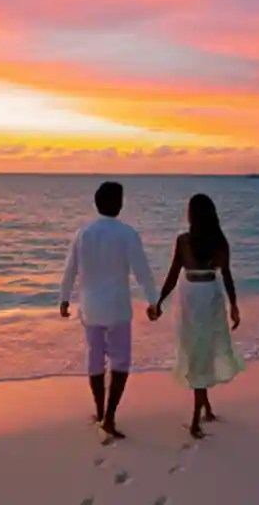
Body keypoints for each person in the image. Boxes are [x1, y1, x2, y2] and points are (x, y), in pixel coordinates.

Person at [60, 181, 159, 440]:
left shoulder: (84, 232)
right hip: (117, 307)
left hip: (91, 308)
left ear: (96, 203)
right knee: (120, 362)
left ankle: (100, 410)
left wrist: (63, 299)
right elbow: (142, 271)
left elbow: (70, 268)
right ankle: (110, 416)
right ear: (120, 204)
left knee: (94, 359)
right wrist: (153, 301)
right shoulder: (127, 233)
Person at [155, 193, 244, 439]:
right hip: (211, 296)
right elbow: (226, 275)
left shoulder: (184, 241)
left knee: (197, 354)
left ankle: (196, 421)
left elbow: (173, 274)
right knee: (202, 353)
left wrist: (159, 300)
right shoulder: (219, 241)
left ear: (192, 214)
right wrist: (234, 305)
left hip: (191, 299)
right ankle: (206, 409)